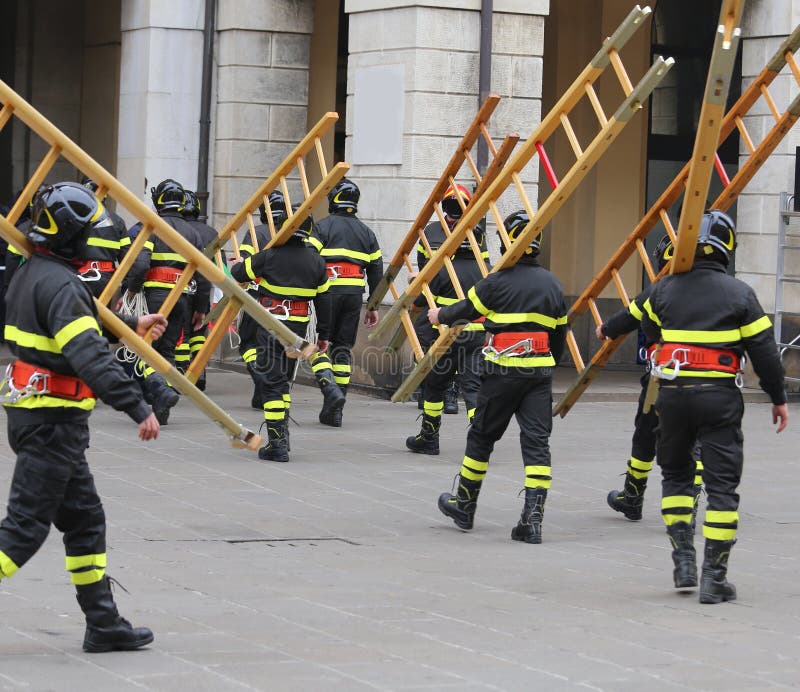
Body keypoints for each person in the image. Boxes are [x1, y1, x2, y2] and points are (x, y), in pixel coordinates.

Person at [0, 181, 163, 652]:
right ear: (73, 237)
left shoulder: (36, 272)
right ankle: (103, 623)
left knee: (86, 521)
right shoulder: (60, 283)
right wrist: (138, 406)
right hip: (52, 423)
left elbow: (81, 319)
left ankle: (103, 624)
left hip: (43, 419)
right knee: (24, 530)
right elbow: (89, 355)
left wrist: (132, 325)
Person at [640, 210, 788, 603]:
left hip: (673, 395)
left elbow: (648, 329)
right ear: (728, 246)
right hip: (720, 397)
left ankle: (683, 562)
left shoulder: (665, 289)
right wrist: (778, 398)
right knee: (721, 487)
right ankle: (713, 578)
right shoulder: (740, 294)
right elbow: (765, 353)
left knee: (676, 476)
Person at [430, 210, 567, 543]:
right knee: (537, 444)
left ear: (508, 241)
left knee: (481, 437)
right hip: (539, 373)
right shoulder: (553, 284)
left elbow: (467, 309)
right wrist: (546, 365)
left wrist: (439, 315)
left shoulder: (497, 281)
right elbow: (559, 338)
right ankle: (532, 520)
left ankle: (465, 506)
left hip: (502, 371)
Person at [597, 235, 703, 521]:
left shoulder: (659, 292)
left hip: (662, 377)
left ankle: (633, 496)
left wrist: (605, 329)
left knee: (645, 432)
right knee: (697, 438)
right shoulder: (710, 291)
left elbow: (627, 318)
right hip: (705, 378)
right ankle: (690, 500)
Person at [229, 209, 332, 462]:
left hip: (271, 326)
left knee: (272, 383)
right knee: (283, 380)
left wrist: (239, 263)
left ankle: (277, 443)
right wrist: (324, 334)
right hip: (298, 328)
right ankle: (282, 436)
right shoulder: (317, 261)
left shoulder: (269, 256)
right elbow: (324, 300)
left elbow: (239, 274)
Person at [124, 179, 211, 424]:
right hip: (182, 298)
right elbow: (203, 274)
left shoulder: (152, 227)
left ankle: (161, 391)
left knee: (146, 349)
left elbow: (141, 264)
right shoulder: (194, 233)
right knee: (168, 350)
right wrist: (200, 309)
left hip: (155, 298)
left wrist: (132, 290)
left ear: (158, 200)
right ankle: (163, 402)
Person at [405, 220, 488, 455]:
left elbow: (421, 301)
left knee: (435, 384)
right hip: (476, 336)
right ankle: (480, 441)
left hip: (446, 337)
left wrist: (414, 281)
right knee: (473, 386)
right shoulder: (488, 271)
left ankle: (429, 438)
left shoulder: (444, 268)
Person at [307, 178, 382, 427]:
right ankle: (336, 410)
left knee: (319, 344)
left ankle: (331, 393)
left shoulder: (322, 227)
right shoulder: (367, 233)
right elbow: (376, 271)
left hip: (326, 294)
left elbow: (309, 257)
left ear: (333, 200)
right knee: (342, 348)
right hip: (353, 296)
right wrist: (373, 305)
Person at [413, 184, 488, 414]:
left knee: (452, 352)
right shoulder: (431, 232)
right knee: (423, 338)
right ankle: (425, 387)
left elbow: (482, 263)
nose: (455, 211)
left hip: (462, 302)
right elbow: (423, 264)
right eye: (452, 205)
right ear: (445, 206)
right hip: (435, 299)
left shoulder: (474, 232)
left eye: (461, 205)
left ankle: (450, 392)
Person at [237, 190, 286, 409]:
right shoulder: (290, 233)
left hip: (256, 296)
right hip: (284, 301)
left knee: (249, 343)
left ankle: (259, 379)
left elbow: (245, 264)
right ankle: (262, 394)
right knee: (272, 348)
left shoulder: (256, 233)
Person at [174, 189, 220, 391]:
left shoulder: (176, 228)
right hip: (204, 287)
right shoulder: (211, 232)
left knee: (181, 332)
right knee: (199, 330)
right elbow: (219, 265)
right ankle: (199, 371)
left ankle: (182, 374)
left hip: (180, 287)